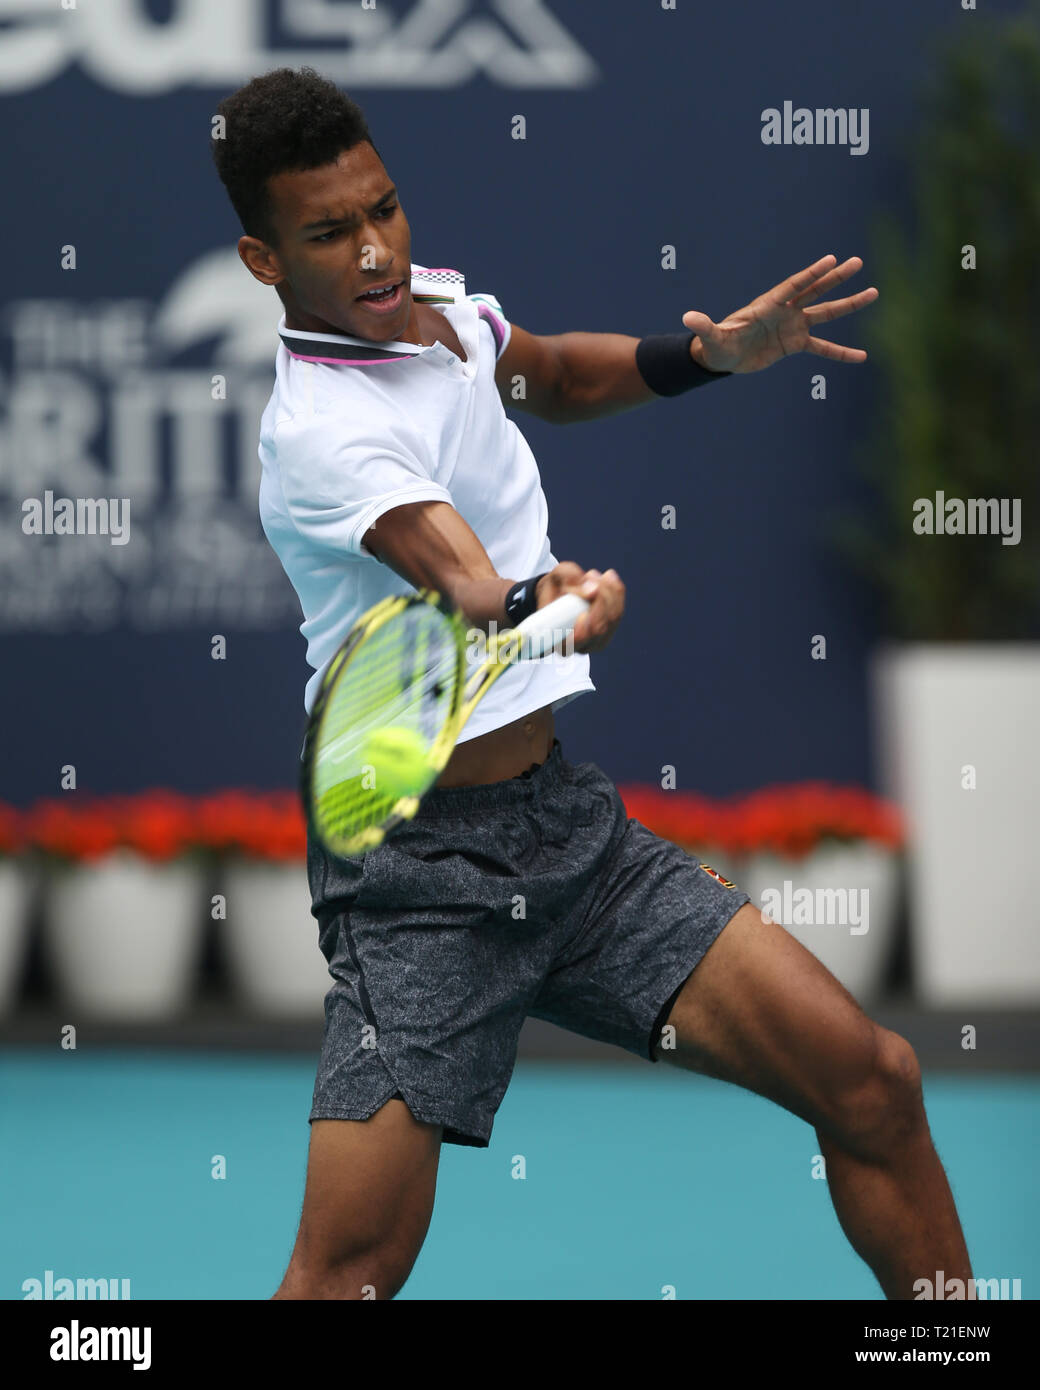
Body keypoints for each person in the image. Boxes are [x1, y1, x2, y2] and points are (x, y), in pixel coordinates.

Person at [211, 66, 974, 1301]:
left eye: (383, 210)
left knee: (872, 1078)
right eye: (327, 232)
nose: (372, 250)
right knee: (347, 1269)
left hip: (565, 834)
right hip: (417, 881)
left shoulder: (445, 311)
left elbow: (554, 377)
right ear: (262, 258)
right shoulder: (319, 430)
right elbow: (458, 576)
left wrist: (711, 354)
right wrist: (548, 611)